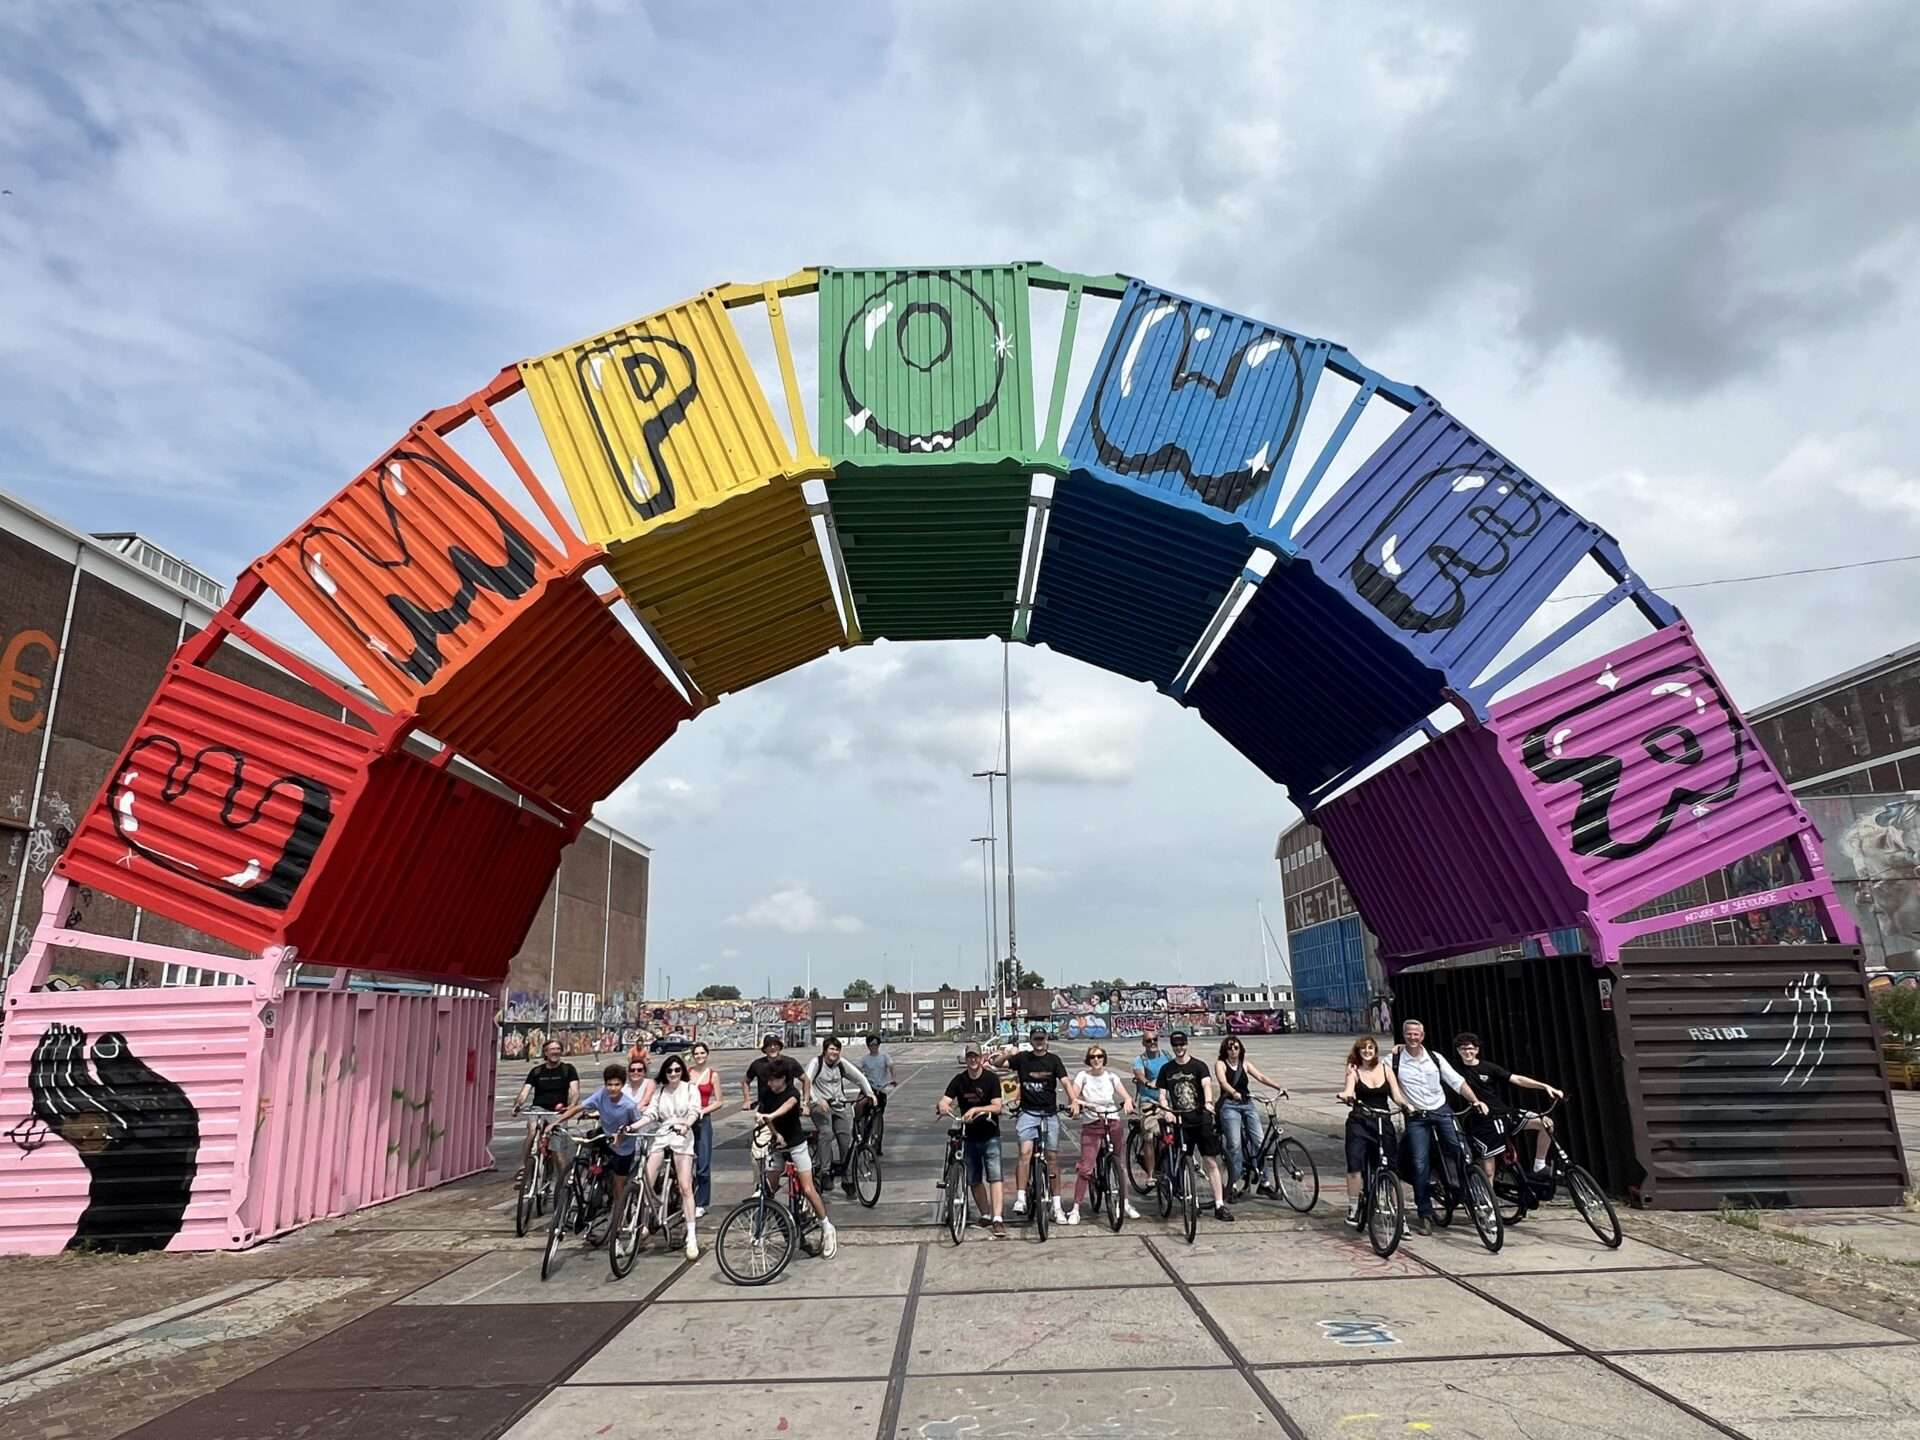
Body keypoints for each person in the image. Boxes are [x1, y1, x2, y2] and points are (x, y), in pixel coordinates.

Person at [1391, 1019, 1487, 1235]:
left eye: (1416, 1034)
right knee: (1419, 1162)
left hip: (1441, 1110)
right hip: (1417, 1116)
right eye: (1409, 1034)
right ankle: (1424, 1212)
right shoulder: (1394, 1060)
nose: (1413, 1038)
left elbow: (1457, 1081)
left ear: (1422, 1036)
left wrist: (1475, 1100)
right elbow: (1386, 1081)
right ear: (1403, 1035)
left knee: (1460, 1150)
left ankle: (1468, 1195)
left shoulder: (1435, 1058)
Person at [749, 1049, 837, 1258]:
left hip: (797, 1145)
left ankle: (827, 1227)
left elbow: (787, 1107)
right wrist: (773, 1132)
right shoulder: (767, 1094)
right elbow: (768, 1118)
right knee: (766, 1190)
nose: (770, 1084)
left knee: (807, 1188)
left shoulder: (792, 1094)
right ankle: (759, 1233)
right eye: (768, 1080)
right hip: (778, 1147)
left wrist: (769, 1115)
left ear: (783, 1079)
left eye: (773, 1080)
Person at [1451, 1033, 1564, 1183]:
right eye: (1463, 1049)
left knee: (1545, 1123)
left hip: (1504, 1113)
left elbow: (1516, 1078)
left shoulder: (1488, 1067)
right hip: (1481, 1120)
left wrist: (1545, 1086)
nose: (1467, 1052)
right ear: (1458, 1051)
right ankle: (1489, 1203)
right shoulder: (1454, 1071)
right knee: (1489, 1169)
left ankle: (1539, 1165)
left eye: (1470, 1048)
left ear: (1477, 1050)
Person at [555, 1063, 641, 1244]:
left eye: (616, 1085)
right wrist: (557, 1122)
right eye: (609, 1084)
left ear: (622, 1086)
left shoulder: (629, 1106)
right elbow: (578, 1108)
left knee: (619, 1186)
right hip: (606, 1137)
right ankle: (590, 1179)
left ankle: (617, 1221)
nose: (612, 1088)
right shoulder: (601, 1095)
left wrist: (623, 1134)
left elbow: (637, 1127)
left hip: (624, 1147)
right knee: (587, 1143)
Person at [1158, 1032, 1234, 1222]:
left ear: (1187, 1044)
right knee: (1186, 1161)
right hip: (1181, 1121)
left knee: (1210, 1161)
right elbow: (1162, 1096)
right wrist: (1167, 1111)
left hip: (1201, 1119)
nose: (1179, 1048)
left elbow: (1207, 1085)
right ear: (1172, 1046)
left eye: (1182, 1044)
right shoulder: (1167, 1069)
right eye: (1176, 1045)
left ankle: (1219, 1204)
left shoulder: (1199, 1066)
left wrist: (1208, 1102)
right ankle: (1193, 1200)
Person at [1337, 1035, 1411, 1224]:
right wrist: (1345, 1096)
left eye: (1371, 1048)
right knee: (1355, 1165)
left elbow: (1396, 1095)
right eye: (1363, 1049)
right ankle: (1353, 1207)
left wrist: (1407, 1106)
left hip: (1383, 1120)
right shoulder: (1353, 1071)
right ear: (1358, 1052)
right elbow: (1348, 1089)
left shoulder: (1385, 1069)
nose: (1367, 1052)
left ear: (1376, 1051)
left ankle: (1398, 1214)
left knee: (1390, 1168)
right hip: (1360, 1121)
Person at [938, 1044, 1007, 1239]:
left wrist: (976, 1110)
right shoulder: (959, 1080)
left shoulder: (991, 1079)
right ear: (966, 1059)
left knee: (995, 1176)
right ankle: (985, 1214)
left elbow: (997, 1106)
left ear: (981, 1057)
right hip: (968, 1136)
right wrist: (943, 1106)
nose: (973, 1060)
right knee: (974, 1179)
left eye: (975, 1056)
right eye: (969, 1057)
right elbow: (945, 1099)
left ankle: (998, 1219)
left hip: (990, 1134)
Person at [1066, 1044, 1140, 1224]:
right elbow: (1073, 1096)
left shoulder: (1112, 1077)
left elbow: (1125, 1094)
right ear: (1088, 1060)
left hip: (1111, 1120)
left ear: (1104, 1058)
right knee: (1086, 1167)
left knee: (1119, 1163)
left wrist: (1128, 1101)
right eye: (1093, 1057)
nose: (1096, 1060)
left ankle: (1125, 1203)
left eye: (1099, 1056)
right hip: (1092, 1121)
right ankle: (1076, 1208)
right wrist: (1077, 1104)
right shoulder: (1083, 1076)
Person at [638, 1054, 703, 1260]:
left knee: (685, 1186)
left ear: (682, 1071)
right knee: (645, 1180)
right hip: (663, 1134)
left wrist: (686, 1125)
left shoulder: (690, 1089)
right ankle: (644, 1221)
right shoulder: (660, 1091)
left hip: (682, 1135)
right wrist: (633, 1126)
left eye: (677, 1070)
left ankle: (691, 1235)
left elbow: (695, 1111)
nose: (673, 1074)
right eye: (669, 1070)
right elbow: (651, 1114)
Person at [1006, 1028, 1069, 1225]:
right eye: (1036, 1039)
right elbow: (999, 1064)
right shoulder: (1023, 1058)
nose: (1039, 1042)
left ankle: (1057, 1207)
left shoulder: (1054, 1060)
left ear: (1047, 1039)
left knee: (1052, 1158)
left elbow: (1066, 1082)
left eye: (1042, 1038)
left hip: (1049, 1114)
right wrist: (1007, 1054)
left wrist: (1074, 1100)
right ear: (1031, 1040)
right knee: (1025, 1153)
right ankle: (1021, 1198)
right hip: (1028, 1113)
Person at [1213, 1036, 1285, 1199]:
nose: (1233, 1051)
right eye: (1230, 1048)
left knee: (1260, 1142)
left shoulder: (1245, 1064)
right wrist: (1233, 1092)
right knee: (1235, 1145)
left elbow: (1260, 1077)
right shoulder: (1221, 1064)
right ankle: (1232, 1184)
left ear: (1241, 1049)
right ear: (1225, 1050)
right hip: (1230, 1106)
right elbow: (1223, 1082)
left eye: (1236, 1048)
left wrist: (1278, 1086)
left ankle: (1264, 1183)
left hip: (1247, 1104)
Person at [806, 1036, 876, 1195]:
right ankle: (825, 1172)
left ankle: (848, 1179)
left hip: (839, 1105)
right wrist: (817, 1100)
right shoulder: (816, 1063)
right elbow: (807, 1082)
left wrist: (870, 1094)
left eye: (837, 1049)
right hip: (820, 1106)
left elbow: (859, 1078)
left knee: (846, 1140)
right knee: (826, 1133)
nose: (834, 1052)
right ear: (824, 1050)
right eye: (831, 1049)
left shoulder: (841, 1064)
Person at [511, 1040, 579, 1184]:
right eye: (552, 1049)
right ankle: (523, 1167)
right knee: (532, 1130)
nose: (555, 1052)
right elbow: (525, 1092)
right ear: (545, 1052)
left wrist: (572, 1105)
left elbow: (574, 1091)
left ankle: (563, 1185)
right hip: (538, 1108)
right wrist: (517, 1104)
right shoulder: (536, 1071)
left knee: (557, 1150)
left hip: (558, 1112)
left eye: (558, 1049)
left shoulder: (568, 1069)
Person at [685, 1041, 721, 1217]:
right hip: (686, 1119)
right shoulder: (687, 1073)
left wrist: (703, 1111)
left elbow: (719, 1101)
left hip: (703, 1120)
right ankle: (686, 1199)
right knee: (684, 1161)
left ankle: (702, 1202)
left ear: (707, 1055)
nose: (699, 1056)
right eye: (696, 1053)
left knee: (703, 1163)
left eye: (702, 1053)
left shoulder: (713, 1075)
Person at [1131, 1029, 1169, 1183]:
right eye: (1148, 1041)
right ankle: (1150, 1175)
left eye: (1155, 1039)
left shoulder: (1166, 1055)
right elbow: (1139, 1074)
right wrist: (1147, 1082)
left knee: (1171, 1132)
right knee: (1148, 1136)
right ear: (1143, 1043)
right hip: (1149, 1101)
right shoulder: (1141, 1060)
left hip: (1166, 1100)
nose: (1152, 1043)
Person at [742, 1033, 810, 1113]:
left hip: (787, 1107)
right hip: (766, 1107)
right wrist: (747, 1100)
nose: (772, 1047)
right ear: (764, 1049)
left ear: (780, 1047)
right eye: (769, 1045)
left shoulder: (790, 1063)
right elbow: (745, 1081)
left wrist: (805, 1103)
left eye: (775, 1045)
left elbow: (806, 1080)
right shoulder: (757, 1064)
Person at [857, 1033, 897, 1157]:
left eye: (876, 1044)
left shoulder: (884, 1057)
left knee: (878, 1116)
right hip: (868, 1089)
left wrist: (893, 1078)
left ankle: (877, 1145)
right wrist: (861, 1077)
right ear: (868, 1046)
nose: (873, 1047)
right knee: (858, 1108)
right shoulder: (864, 1059)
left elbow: (891, 1066)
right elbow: (857, 1070)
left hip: (881, 1090)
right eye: (871, 1045)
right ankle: (860, 1133)